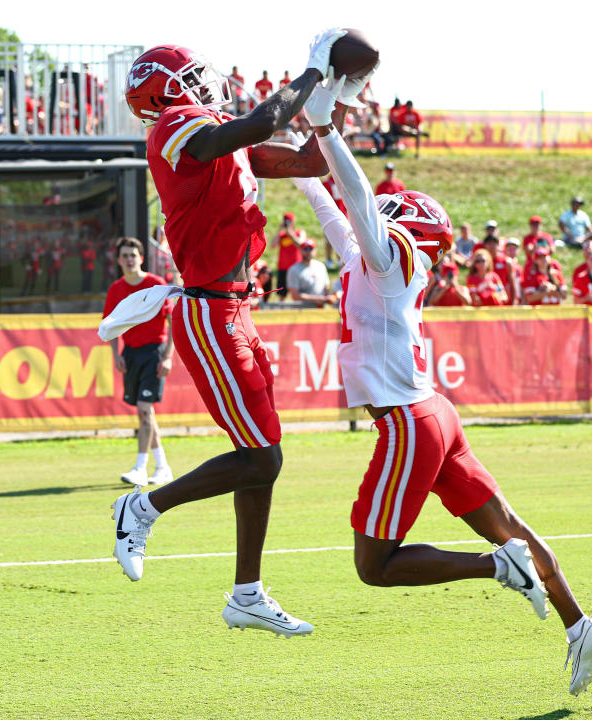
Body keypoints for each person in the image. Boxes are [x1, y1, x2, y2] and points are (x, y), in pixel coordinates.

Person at [293, 90, 592, 694]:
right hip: (434, 413)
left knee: (374, 566)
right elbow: (338, 214)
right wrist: (302, 167)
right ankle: (580, 624)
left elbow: (357, 203)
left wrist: (327, 135)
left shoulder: (390, 261)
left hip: (409, 421)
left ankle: (496, 566)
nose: (375, 213)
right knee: (510, 522)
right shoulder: (380, 261)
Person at [110, 31, 350, 636]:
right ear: (170, 89)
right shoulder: (173, 128)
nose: (201, 81)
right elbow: (261, 121)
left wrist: (342, 94)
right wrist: (313, 71)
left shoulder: (216, 133)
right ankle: (142, 506)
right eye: (188, 75)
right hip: (210, 312)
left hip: (237, 309)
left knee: (260, 459)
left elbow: (311, 164)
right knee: (263, 457)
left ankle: (247, 593)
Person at [105, 237, 177, 487]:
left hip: (154, 353)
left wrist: (167, 357)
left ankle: (140, 467)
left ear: (141, 258)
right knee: (145, 413)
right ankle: (163, 467)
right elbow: (110, 325)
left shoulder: (155, 285)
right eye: (124, 255)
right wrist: (117, 353)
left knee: (145, 410)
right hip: (131, 354)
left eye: (133, 255)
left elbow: (173, 323)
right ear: (118, 260)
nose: (129, 259)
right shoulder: (116, 289)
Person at [286, 237, 336, 307]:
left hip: (321, 309)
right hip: (302, 310)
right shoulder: (294, 269)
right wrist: (318, 299)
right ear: (300, 250)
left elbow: (326, 288)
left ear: (315, 251)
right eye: (305, 249)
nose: (308, 251)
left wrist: (328, 298)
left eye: (311, 248)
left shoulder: (321, 266)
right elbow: (295, 296)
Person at [274, 211, 307, 299]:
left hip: (297, 267)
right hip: (283, 268)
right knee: (282, 294)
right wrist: (279, 230)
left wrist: (290, 233)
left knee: (298, 293)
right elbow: (272, 245)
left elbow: (300, 244)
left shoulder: (299, 232)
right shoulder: (281, 235)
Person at [481, 231, 518, 305]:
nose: (491, 246)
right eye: (489, 243)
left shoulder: (506, 261)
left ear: (498, 245)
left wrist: (514, 301)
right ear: (485, 246)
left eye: (493, 243)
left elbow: (512, 282)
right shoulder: (481, 262)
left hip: (504, 299)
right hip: (487, 299)